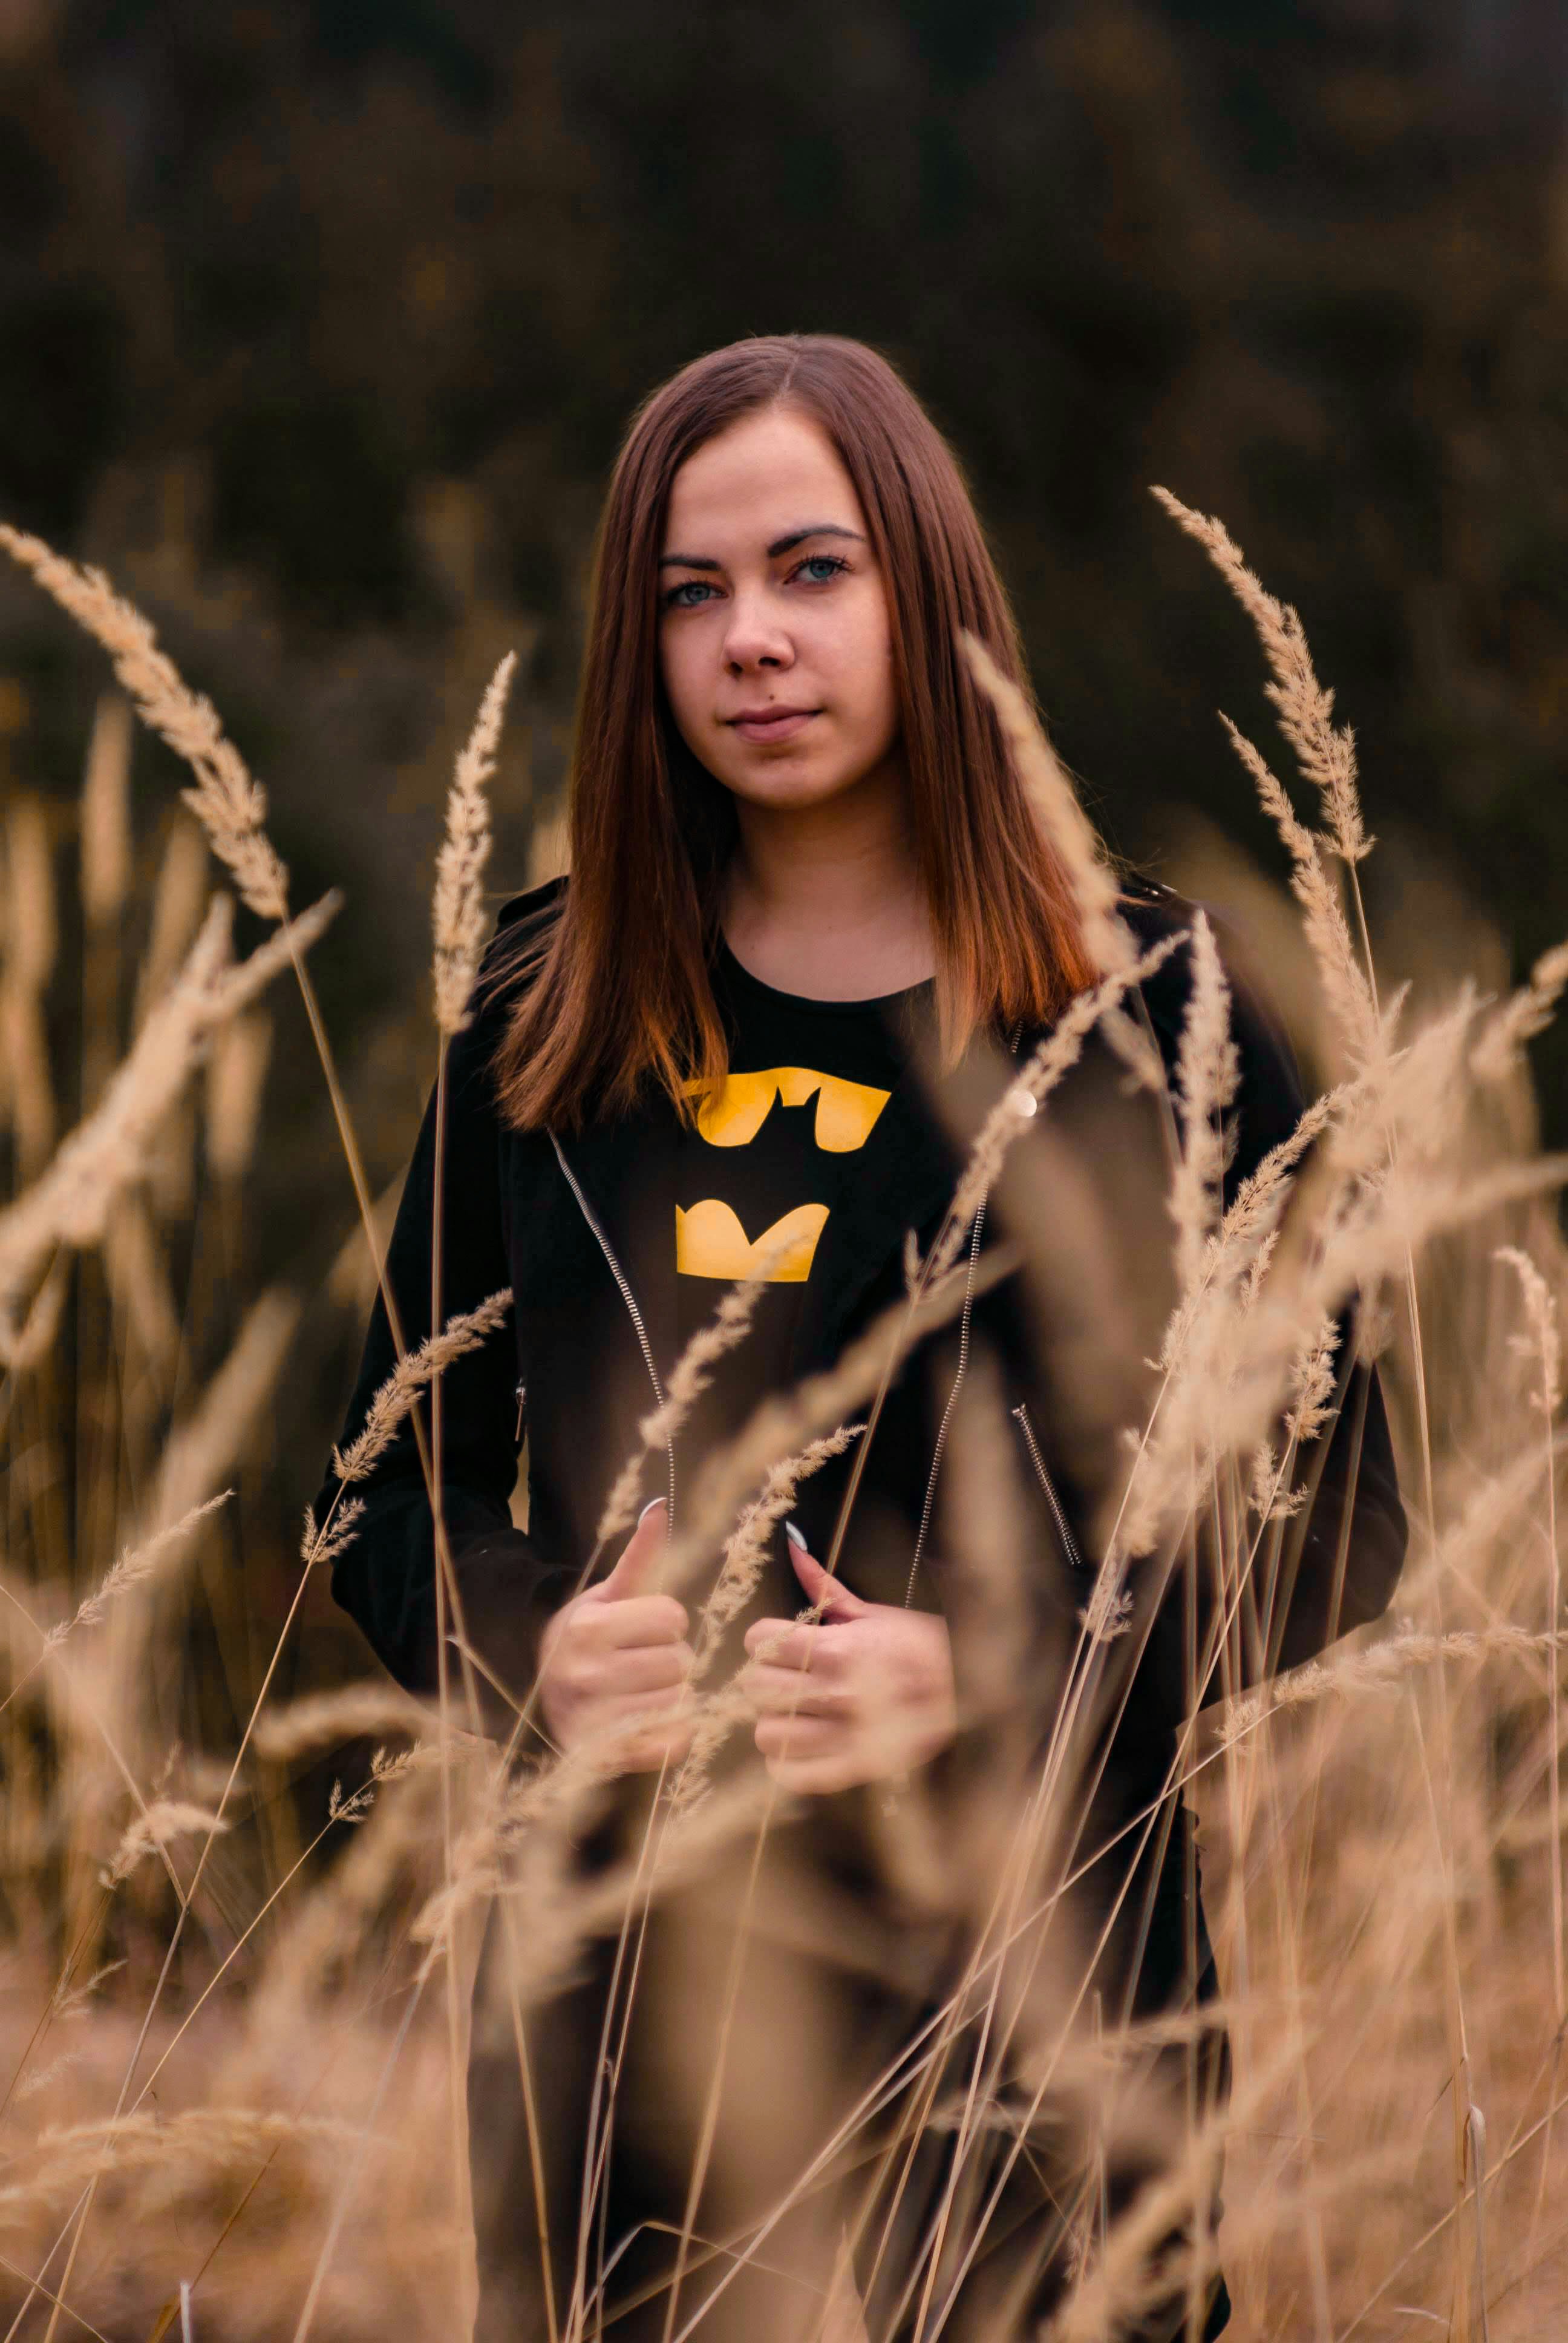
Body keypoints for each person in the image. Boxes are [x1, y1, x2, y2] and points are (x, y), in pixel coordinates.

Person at [318, 334, 1406, 2342]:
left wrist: (996, 1670)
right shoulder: (544, 1009)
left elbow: (1340, 1524)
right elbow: (381, 1496)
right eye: (692, 592)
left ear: (926, 592)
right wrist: (533, 1640)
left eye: (813, 571)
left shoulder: (1155, 1007)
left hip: (1045, 2036)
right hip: (625, 2060)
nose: (752, 637)